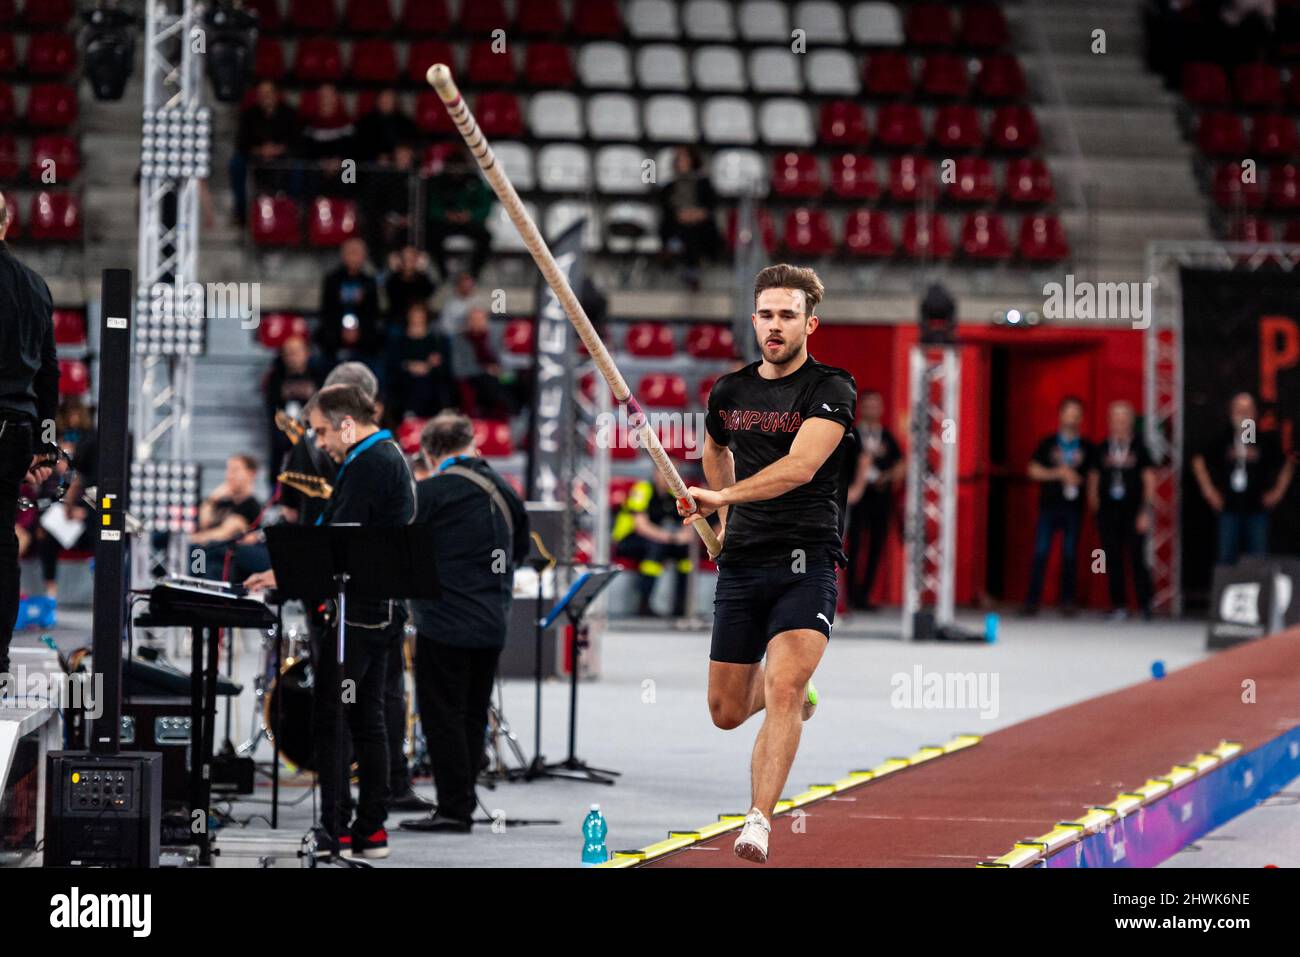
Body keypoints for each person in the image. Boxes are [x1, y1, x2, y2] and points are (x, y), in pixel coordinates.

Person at [682, 264, 856, 863]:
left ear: (810, 322)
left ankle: (758, 821)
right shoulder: (729, 391)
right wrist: (725, 519)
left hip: (806, 560)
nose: (775, 326)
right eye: (766, 315)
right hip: (742, 563)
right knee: (726, 711)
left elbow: (800, 467)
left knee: (782, 686)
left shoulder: (831, 388)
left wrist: (723, 498)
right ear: (753, 320)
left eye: (787, 315)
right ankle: (801, 691)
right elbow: (715, 446)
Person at [247, 384, 416, 859]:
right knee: (368, 720)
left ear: (347, 423)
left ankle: (337, 829)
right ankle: (370, 832)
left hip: (358, 613)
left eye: (322, 432)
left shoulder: (369, 463)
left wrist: (286, 570)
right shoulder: (385, 456)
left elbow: (337, 543)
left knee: (334, 718)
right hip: (378, 608)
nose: (318, 443)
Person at [401, 412, 529, 833]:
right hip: (494, 621)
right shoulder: (505, 490)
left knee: (441, 716)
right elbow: (523, 550)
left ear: (430, 452)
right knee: (473, 716)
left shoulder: (431, 491)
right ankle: (462, 803)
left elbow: (403, 548)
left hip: (444, 622)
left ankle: (454, 809)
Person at [0, 194, 59, 683]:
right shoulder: (35, 285)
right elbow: (50, 374)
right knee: (2, 542)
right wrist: (45, 444)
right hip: (16, 431)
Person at [1192, 391, 1294, 566]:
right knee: (1226, 558)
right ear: (1231, 412)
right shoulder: (1223, 439)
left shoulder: (1263, 440)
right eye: (1239, 410)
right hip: (1229, 507)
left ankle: (1257, 592)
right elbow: (1198, 460)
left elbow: (1287, 463)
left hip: (1257, 508)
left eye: (1247, 410)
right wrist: (1209, 491)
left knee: (1257, 558)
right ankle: (1227, 592)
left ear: (1255, 413)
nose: (1243, 414)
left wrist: (1277, 492)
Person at [1087, 401, 1157, 619]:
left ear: (1130, 422)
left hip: (1134, 511)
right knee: (1111, 558)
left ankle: (1146, 604)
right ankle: (1119, 605)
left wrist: (1146, 511)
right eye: (1115, 419)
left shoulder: (1140, 448)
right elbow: (1093, 478)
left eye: (1123, 419)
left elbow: (1149, 480)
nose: (1119, 423)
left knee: (1138, 558)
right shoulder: (1101, 448)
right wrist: (1095, 508)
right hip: (1108, 512)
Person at [1024, 396, 1092, 616]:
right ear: (1061, 415)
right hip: (1049, 506)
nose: (1072, 418)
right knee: (1041, 551)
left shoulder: (1087, 446)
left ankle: (1067, 601)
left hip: (1074, 507)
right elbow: (1032, 470)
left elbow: (1095, 477)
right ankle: (1032, 601)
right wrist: (1058, 473)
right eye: (1068, 412)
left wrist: (1078, 480)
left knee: (1070, 554)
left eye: (1076, 413)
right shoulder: (1048, 443)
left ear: (1081, 417)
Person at [844, 390, 903, 610]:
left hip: (880, 498)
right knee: (852, 545)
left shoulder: (887, 437)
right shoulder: (851, 436)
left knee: (876, 546)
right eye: (868, 405)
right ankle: (848, 596)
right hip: (855, 499)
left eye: (876, 405)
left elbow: (900, 463)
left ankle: (864, 595)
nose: (872, 409)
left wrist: (885, 478)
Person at [612, 469, 695, 618]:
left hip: (658, 540)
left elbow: (688, 528)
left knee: (685, 550)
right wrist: (672, 537)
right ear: (656, 473)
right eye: (665, 473)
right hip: (627, 540)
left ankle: (681, 608)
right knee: (656, 547)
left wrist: (681, 537)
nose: (669, 477)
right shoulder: (643, 489)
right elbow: (641, 526)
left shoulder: (672, 497)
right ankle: (644, 605)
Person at [230, 80, 299, 226]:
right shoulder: (249, 115)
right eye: (261, 93)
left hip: (283, 157)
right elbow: (242, 144)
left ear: (275, 94)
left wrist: (278, 149)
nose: (265, 96)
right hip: (255, 157)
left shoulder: (289, 113)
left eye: (268, 93)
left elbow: (296, 141)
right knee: (236, 164)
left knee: (299, 166)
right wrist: (260, 150)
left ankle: (293, 211)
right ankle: (241, 211)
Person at [188, 454, 262, 579]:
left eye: (235, 470)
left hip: (223, 559)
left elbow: (224, 533)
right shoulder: (223, 502)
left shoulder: (251, 505)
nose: (229, 475)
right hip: (203, 554)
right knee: (194, 551)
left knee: (201, 552)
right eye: (228, 469)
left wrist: (195, 538)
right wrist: (212, 499)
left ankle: (199, 587)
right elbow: (202, 523)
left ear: (251, 474)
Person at [658, 146, 722, 289]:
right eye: (679, 159)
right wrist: (681, 215)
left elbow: (710, 206)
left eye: (685, 158)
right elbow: (667, 209)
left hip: (700, 223)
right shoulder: (669, 187)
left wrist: (696, 214)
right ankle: (691, 268)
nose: (682, 162)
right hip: (677, 223)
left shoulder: (704, 184)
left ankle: (687, 263)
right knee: (685, 229)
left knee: (693, 230)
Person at [425, 148, 494, 280]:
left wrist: (470, 215)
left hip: (468, 223)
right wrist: (445, 214)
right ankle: (443, 273)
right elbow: (431, 207)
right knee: (431, 236)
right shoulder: (438, 183)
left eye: (459, 167)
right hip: (445, 223)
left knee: (485, 237)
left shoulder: (475, 182)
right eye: (453, 167)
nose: (456, 170)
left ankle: (473, 275)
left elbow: (485, 206)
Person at [316, 237, 382, 362]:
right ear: (343, 255)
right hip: (336, 327)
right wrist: (343, 329)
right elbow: (326, 310)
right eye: (350, 253)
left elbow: (373, 312)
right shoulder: (332, 280)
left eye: (357, 253)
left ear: (364, 256)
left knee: (376, 338)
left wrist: (358, 329)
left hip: (362, 329)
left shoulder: (369, 282)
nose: (353, 257)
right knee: (324, 336)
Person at [262, 335, 323, 469]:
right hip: (283, 439)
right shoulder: (275, 378)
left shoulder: (319, 376)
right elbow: (272, 410)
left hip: (313, 437)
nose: (292, 357)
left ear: (306, 353)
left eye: (296, 352)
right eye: (288, 353)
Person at [388, 302, 454, 418]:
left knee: (429, 384)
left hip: (430, 378)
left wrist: (428, 366)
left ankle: (417, 414)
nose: (417, 317)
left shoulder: (436, 340)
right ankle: (410, 415)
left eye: (420, 314)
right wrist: (409, 366)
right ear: (408, 316)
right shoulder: (399, 340)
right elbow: (393, 362)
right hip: (405, 379)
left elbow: (442, 363)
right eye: (414, 314)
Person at [352, 89, 418, 164]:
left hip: (400, 168)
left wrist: (395, 156)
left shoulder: (406, 124)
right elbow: (358, 148)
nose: (386, 102)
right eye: (383, 98)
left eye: (389, 98)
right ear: (377, 100)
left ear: (395, 101)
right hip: (371, 167)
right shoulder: (365, 123)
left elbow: (413, 146)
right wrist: (376, 158)